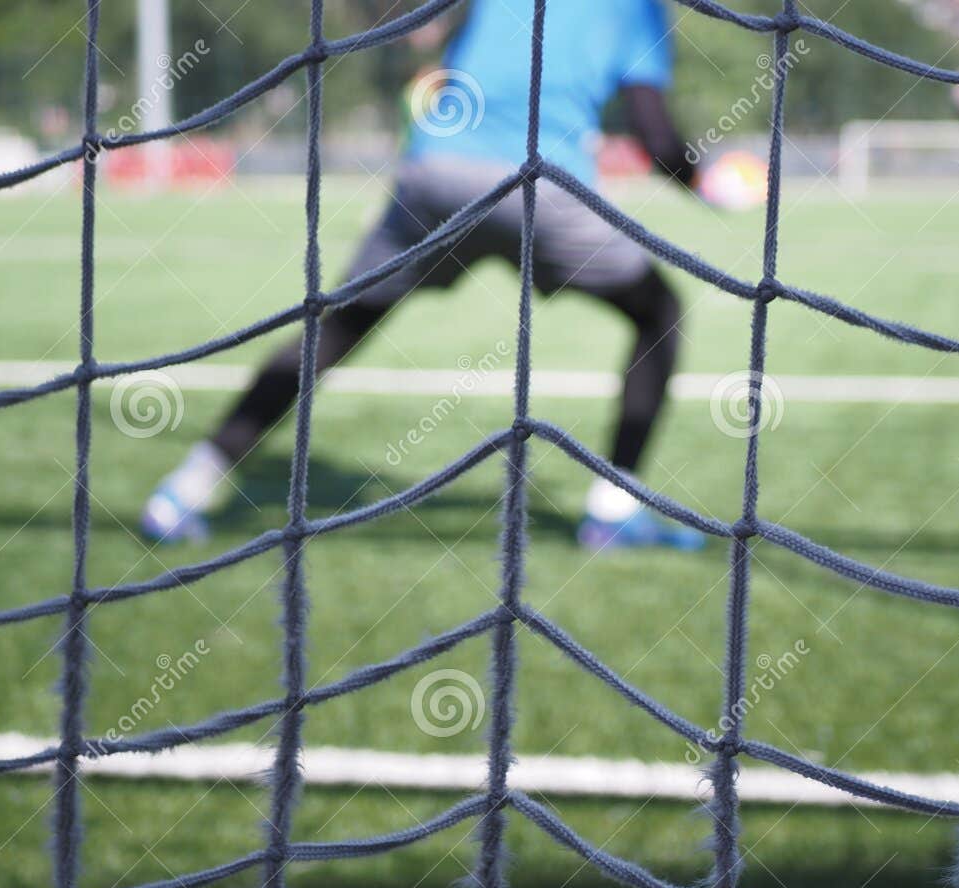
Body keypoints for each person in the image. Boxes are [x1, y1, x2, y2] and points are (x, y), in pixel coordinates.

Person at [142, 0, 759, 550]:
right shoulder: (642, 8)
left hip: (434, 175)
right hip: (538, 187)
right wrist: (702, 182)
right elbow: (653, 136)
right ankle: (614, 511)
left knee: (338, 328)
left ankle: (186, 487)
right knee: (657, 312)